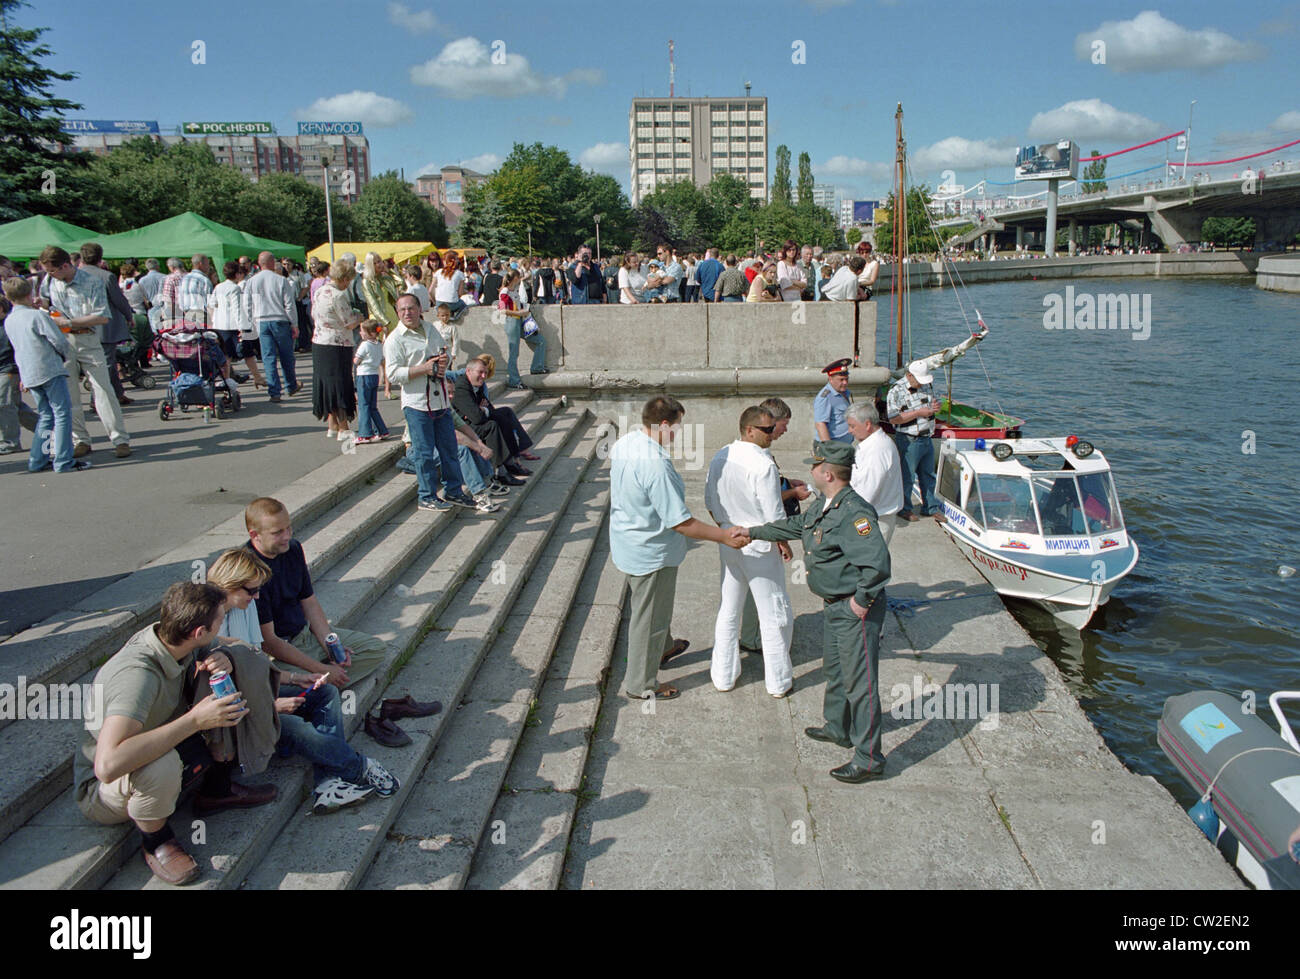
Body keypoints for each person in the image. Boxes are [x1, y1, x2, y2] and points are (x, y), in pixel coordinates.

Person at [74, 582, 277, 885]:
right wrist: (195, 721)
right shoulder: (136, 677)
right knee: (163, 764)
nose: (224, 621)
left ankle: (217, 790)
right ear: (199, 632)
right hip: (103, 790)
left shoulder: (176, 639)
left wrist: (224, 655)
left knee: (225, 676)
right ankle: (157, 841)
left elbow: (239, 647)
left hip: (162, 743)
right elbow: (108, 764)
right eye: (221, 617)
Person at [206, 549, 400, 811]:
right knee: (299, 727)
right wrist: (272, 705)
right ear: (230, 585)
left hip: (259, 695)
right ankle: (359, 768)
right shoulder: (207, 625)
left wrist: (296, 678)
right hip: (240, 716)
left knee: (326, 693)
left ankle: (327, 783)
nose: (257, 597)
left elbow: (256, 665)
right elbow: (215, 701)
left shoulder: (244, 607)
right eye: (251, 591)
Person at [744, 441, 891, 783]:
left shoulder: (854, 512)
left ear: (827, 473)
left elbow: (878, 566)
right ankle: (838, 727)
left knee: (862, 683)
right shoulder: (826, 504)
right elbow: (796, 529)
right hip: (834, 605)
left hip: (854, 608)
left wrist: (860, 601)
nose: (809, 471)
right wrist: (752, 532)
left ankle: (869, 758)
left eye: (814, 466)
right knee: (836, 669)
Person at [610, 396, 748, 701]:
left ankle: (666, 646)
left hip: (627, 541)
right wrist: (723, 535)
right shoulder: (655, 464)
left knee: (653, 607)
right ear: (662, 425)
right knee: (649, 620)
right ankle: (641, 684)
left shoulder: (627, 441)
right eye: (676, 427)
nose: (677, 433)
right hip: (650, 551)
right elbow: (681, 523)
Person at [243, 497, 390, 688]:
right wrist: (319, 669)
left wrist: (330, 644)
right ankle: (321, 683)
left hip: (306, 635)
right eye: (277, 532)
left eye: (288, 527)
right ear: (255, 534)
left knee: (375, 649)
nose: (287, 535)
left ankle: (323, 682)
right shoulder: (249, 569)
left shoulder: (293, 548)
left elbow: (309, 601)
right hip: (282, 649)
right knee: (287, 683)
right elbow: (269, 641)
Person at [704, 405, 795, 697]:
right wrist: (784, 541)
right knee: (773, 613)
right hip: (760, 544)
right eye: (767, 430)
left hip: (730, 540)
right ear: (749, 430)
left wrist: (724, 528)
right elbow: (774, 514)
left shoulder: (721, 456)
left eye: (772, 429)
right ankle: (778, 681)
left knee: (729, 609)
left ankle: (723, 676)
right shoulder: (764, 465)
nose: (772, 435)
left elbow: (709, 500)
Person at [384, 293, 490, 512]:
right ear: (397, 313)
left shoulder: (431, 329)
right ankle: (426, 495)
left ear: (420, 308)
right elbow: (393, 374)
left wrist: (443, 362)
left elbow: (445, 353)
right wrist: (423, 368)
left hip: (440, 399)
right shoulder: (395, 339)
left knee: (449, 447)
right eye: (402, 310)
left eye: (411, 308)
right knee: (423, 453)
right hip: (417, 403)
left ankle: (453, 490)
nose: (407, 313)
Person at [38, 246, 132, 459]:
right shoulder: (50, 281)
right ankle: (80, 439)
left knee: (103, 390)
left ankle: (119, 439)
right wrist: (42, 305)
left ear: (65, 266)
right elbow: (45, 300)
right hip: (62, 341)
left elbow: (102, 316)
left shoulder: (91, 282)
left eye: (52, 271)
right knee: (69, 392)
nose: (49, 275)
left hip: (87, 338)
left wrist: (69, 322)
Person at [3, 276, 88, 472]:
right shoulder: (37, 316)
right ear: (29, 294)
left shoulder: (10, 320)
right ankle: (63, 459)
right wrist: (65, 356)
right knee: (62, 414)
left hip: (29, 371)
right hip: (48, 369)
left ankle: (38, 459)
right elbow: (58, 341)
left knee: (45, 416)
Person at [452, 355, 532, 486]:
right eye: (480, 372)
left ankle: (513, 459)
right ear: (468, 371)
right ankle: (501, 472)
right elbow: (477, 417)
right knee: (491, 425)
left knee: (505, 413)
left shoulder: (476, 383)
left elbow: (488, 408)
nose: (484, 376)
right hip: (462, 427)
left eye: (485, 373)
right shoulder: (461, 388)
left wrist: (483, 410)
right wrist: (482, 410)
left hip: (471, 420)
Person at [311, 260, 360, 442]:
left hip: (319, 341)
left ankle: (332, 425)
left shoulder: (319, 291)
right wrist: (359, 317)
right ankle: (344, 429)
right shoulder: (339, 295)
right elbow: (349, 321)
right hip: (337, 344)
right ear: (345, 278)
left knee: (327, 384)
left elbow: (313, 314)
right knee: (340, 384)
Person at [243, 251, 300, 403]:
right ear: (271, 262)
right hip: (280, 319)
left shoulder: (252, 281)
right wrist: (294, 324)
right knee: (286, 355)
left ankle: (274, 391)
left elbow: (247, 305)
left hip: (261, 321)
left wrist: (249, 323)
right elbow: (289, 304)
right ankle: (291, 385)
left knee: (268, 357)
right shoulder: (281, 280)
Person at [887, 359, 941, 520]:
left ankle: (930, 507)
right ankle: (904, 509)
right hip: (908, 439)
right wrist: (919, 413)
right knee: (907, 476)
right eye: (919, 381)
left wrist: (933, 409)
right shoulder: (896, 391)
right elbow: (893, 418)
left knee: (928, 475)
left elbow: (929, 406)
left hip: (926, 437)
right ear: (909, 376)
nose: (921, 384)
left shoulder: (925, 386)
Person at [845, 402, 903, 547]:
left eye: (853, 426)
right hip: (872, 515)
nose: (849, 431)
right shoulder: (873, 444)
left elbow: (866, 493)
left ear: (868, 425)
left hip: (875, 519)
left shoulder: (876, 451)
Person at [496, 269, 547, 389]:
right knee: (514, 352)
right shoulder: (505, 291)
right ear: (515, 278)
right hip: (512, 321)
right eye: (519, 277)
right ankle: (514, 380)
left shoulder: (514, 290)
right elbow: (502, 310)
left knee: (540, 341)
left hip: (520, 320)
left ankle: (537, 367)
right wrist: (520, 313)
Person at [352, 321, 390, 444]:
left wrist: (355, 360)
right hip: (374, 375)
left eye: (362, 331)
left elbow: (357, 360)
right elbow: (382, 360)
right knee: (373, 406)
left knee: (363, 406)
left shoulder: (364, 345)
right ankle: (382, 430)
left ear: (371, 333)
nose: (360, 333)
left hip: (364, 376)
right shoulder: (379, 345)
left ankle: (365, 434)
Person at [813, 358, 854, 449]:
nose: (845, 383)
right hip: (833, 447)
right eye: (841, 380)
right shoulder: (825, 397)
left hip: (843, 446)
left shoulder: (844, 392)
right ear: (830, 379)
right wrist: (830, 450)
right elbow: (820, 424)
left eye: (847, 379)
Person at [361, 252, 401, 335]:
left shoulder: (384, 277)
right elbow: (373, 304)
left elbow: (401, 283)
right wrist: (384, 321)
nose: (378, 265)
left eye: (379, 261)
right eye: (374, 263)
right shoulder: (367, 281)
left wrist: (389, 271)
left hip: (391, 313)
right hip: (377, 317)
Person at [432, 250, 468, 319]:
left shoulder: (438, 272)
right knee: (463, 304)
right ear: (453, 261)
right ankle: (456, 317)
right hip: (452, 304)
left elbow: (430, 290)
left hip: (439, 303)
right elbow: (460, 293)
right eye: (457, 259)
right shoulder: (460, 274)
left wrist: (435, 302)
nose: (458, 261)